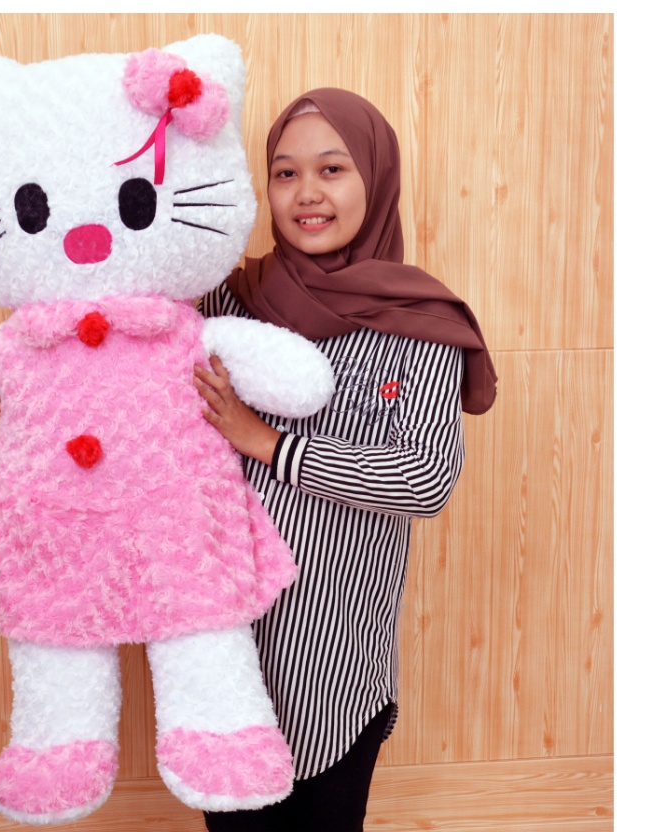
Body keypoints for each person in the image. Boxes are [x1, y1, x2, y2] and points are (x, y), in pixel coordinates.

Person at [193, 88, 496, 832]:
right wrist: (48, 397)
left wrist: (268, 443)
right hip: (222, 657)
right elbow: (134, 370)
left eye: (332, 169)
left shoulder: (420, 324)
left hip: (337, 663)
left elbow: (425, 478)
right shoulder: (229, 300)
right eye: (285, 173)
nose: (307, 193)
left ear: (376, 177)